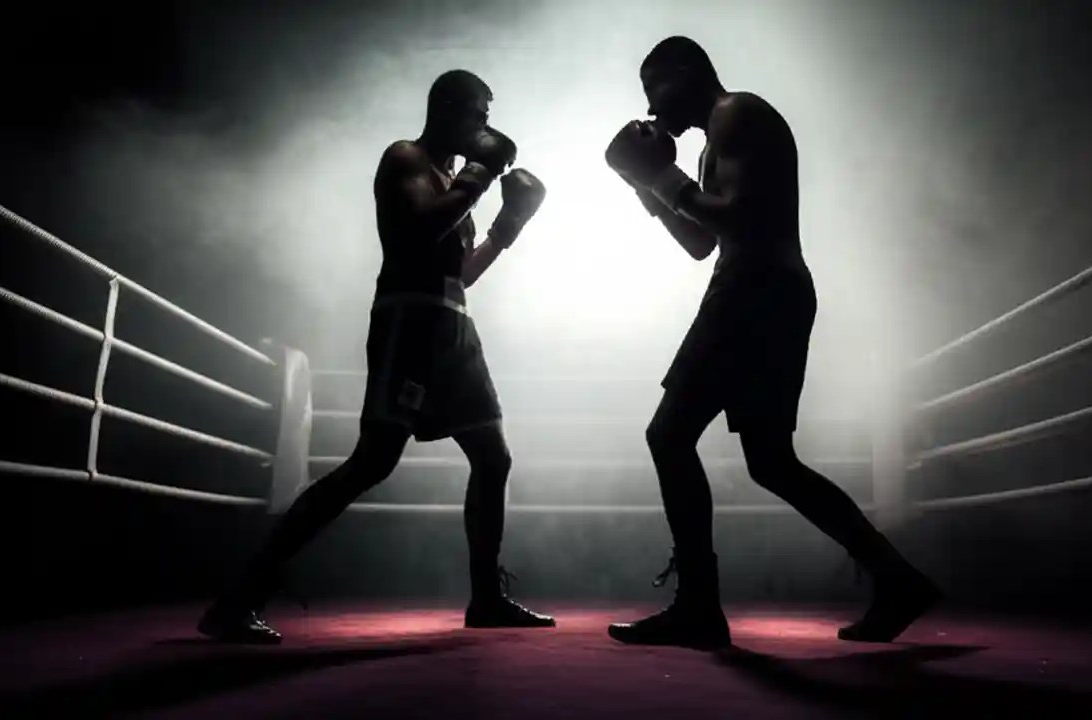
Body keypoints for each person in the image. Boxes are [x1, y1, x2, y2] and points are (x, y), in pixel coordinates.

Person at [604, 37, 939, 648]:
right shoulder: (714, 140)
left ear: (686, 72)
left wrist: (660, 175)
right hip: (765, 289)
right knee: (771, 462)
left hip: (753, 288)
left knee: (669, 434)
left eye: (654, 86)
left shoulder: (738, 113)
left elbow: (740, 220)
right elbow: (699, 242)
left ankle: (700, 606)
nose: (650, 108)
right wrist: (646, 188)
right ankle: (898, 578)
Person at [198, 69, 555, 643]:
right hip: (408, 323)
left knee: (493, 457)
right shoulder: (406, 158)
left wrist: (506, 229)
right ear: (447, 109)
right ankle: (239, 597)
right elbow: (417, 234)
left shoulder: (450, 178)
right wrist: (481, 174)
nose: (487, 127)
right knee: (373, 462)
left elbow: (459, 273)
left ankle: (487, 597)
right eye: (479, 114)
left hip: (454, 328)